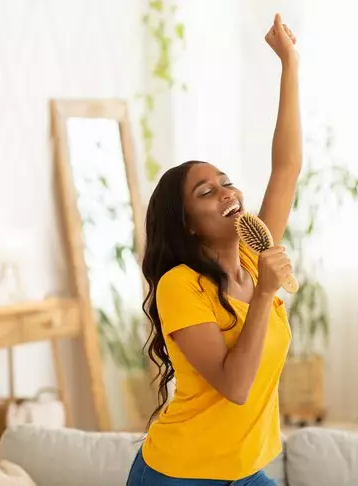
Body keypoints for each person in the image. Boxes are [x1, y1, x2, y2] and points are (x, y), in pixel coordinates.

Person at [126, 12, 302, 486]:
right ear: (187, 224)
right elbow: (235, 386)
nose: (228, 193)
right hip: (178, 475)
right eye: (207, 192)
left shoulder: (251, 254)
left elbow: (286, 168)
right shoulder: (180, 286)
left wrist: (289, 64)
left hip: (240, 472)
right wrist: (263, 294)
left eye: (227, 183)